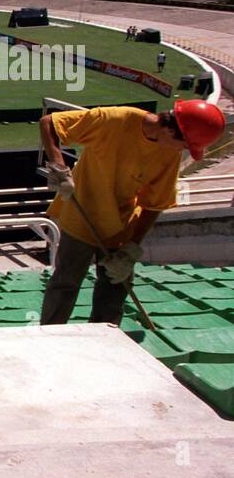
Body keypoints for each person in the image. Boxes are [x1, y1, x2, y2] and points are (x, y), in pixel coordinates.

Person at [39, 100, 225, 325]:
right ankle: (50, 334)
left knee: (115, 287)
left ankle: (105, 336)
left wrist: (131, 248)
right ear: (168, 129)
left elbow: (154, 204)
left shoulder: (169, 154)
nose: (182, 151)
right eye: (184, 145)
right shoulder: (116, 120)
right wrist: (59, 167)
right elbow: (49, 123)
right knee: (66, 282)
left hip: (120, 225)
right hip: (81, 215)